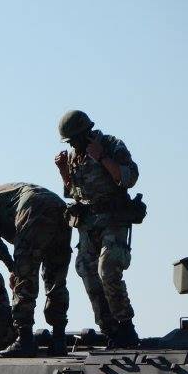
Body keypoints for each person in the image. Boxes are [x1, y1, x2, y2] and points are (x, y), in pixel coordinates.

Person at [55, 109, 141, 348]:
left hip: (113, 220)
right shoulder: (74, 156)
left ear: (86, 133)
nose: (73, 145)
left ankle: (126, 326)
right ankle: (110, 329)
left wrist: (102, 157)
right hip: (88, 224)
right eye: (70, 142)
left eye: (75, 139)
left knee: (108, 269)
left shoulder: (111, 145)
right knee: (86, 270)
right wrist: (64, 172)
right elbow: (75, 192)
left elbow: (128, 178)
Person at [0, 177, 72, 356]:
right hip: (59, 206)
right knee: (55, 278)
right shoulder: (3, 192)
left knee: (24, 280)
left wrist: (13, 268)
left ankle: (25, 339)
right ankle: (59, 339)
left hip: (32, 208)